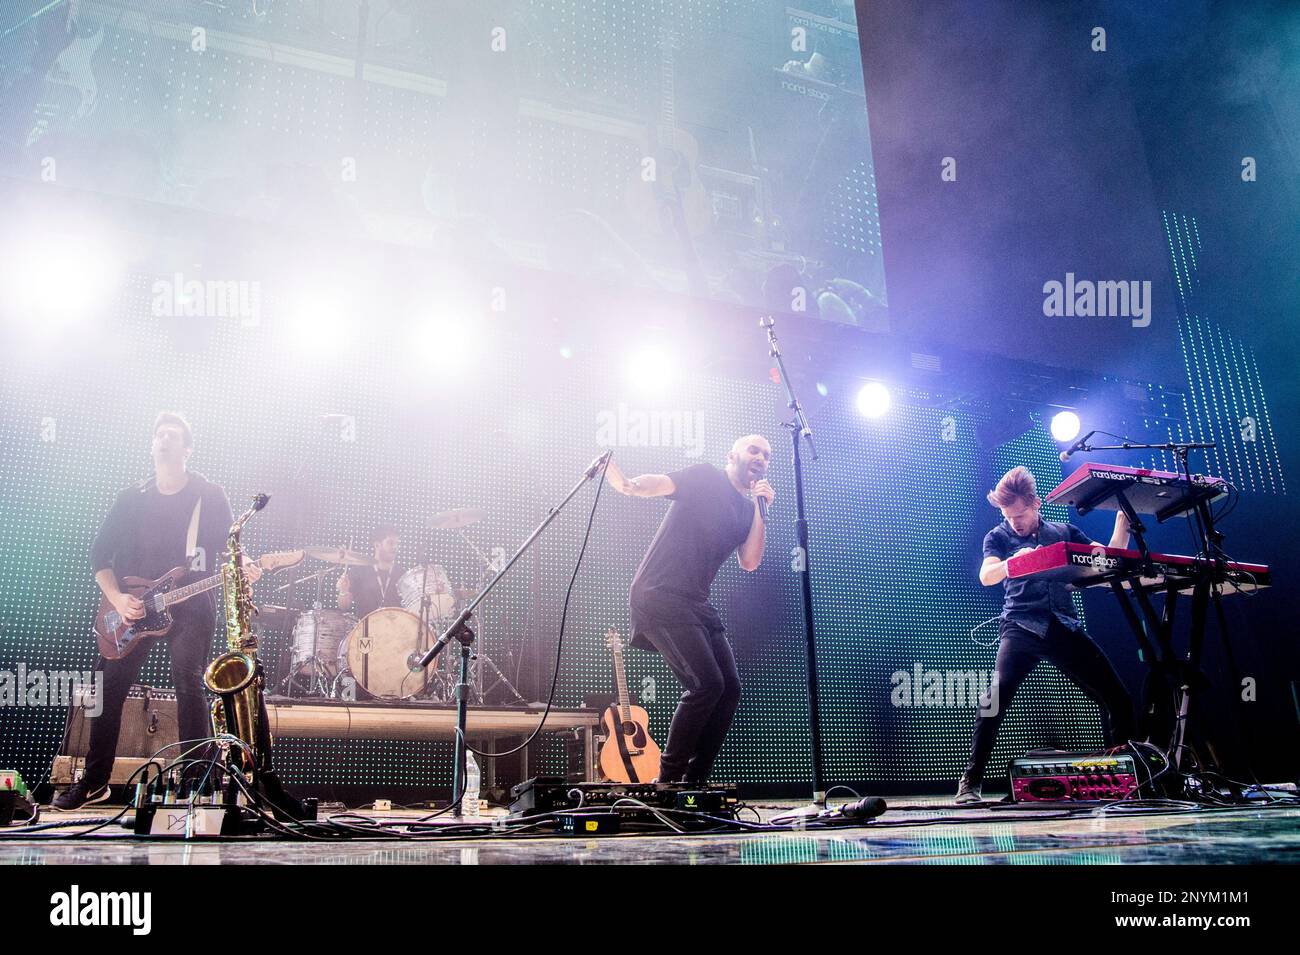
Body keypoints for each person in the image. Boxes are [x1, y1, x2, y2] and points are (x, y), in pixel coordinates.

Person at [53, 412, 262, 810]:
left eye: (173, 435)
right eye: (159, 435)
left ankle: (194, 780)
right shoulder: (132, 497)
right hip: (132, 607)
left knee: (188, 684)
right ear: (152, 445)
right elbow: (99, 555)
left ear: (187, 449)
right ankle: (95, 781)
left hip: (190, 604)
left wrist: (246, 564)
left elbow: (228, 544)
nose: (165, 440)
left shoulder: (208, 493)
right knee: (105, 690)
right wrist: (116, 599)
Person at [957, 465, 1136, 804]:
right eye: (1009, 516)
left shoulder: (1064, 531)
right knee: (993, 700)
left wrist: (1122, 522)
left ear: (1037, 504)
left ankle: (1123, 777)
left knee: (1117, 697)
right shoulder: (998, 536)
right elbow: (987, 576)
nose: (1015, 522)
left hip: (1062, 626)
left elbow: (1107, 559)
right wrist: (1016, 562)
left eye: (1020, 514)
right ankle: (970, 782)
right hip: (1020, 628)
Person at [603, 435, 775, 784]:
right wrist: (628, 485)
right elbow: (661, 483)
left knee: (729, 689)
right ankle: (667, 782)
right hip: (659, 592)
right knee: (706, 684)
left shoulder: (747, 509)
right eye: (753, 450)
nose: (760, 457)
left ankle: (694, 783)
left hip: (696, 601)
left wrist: (760, 507)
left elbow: (751, 561)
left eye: (766, 455)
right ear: (732, 455)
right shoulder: (706, 477)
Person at [336, 525, 407, 619]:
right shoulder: (359, 571)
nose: (395, 547)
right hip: (364, 630)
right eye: (390, 543)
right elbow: (344, 606)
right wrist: (343, 591)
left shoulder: (402, 574)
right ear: (377, 545)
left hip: (394, 630)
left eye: (397, 543)